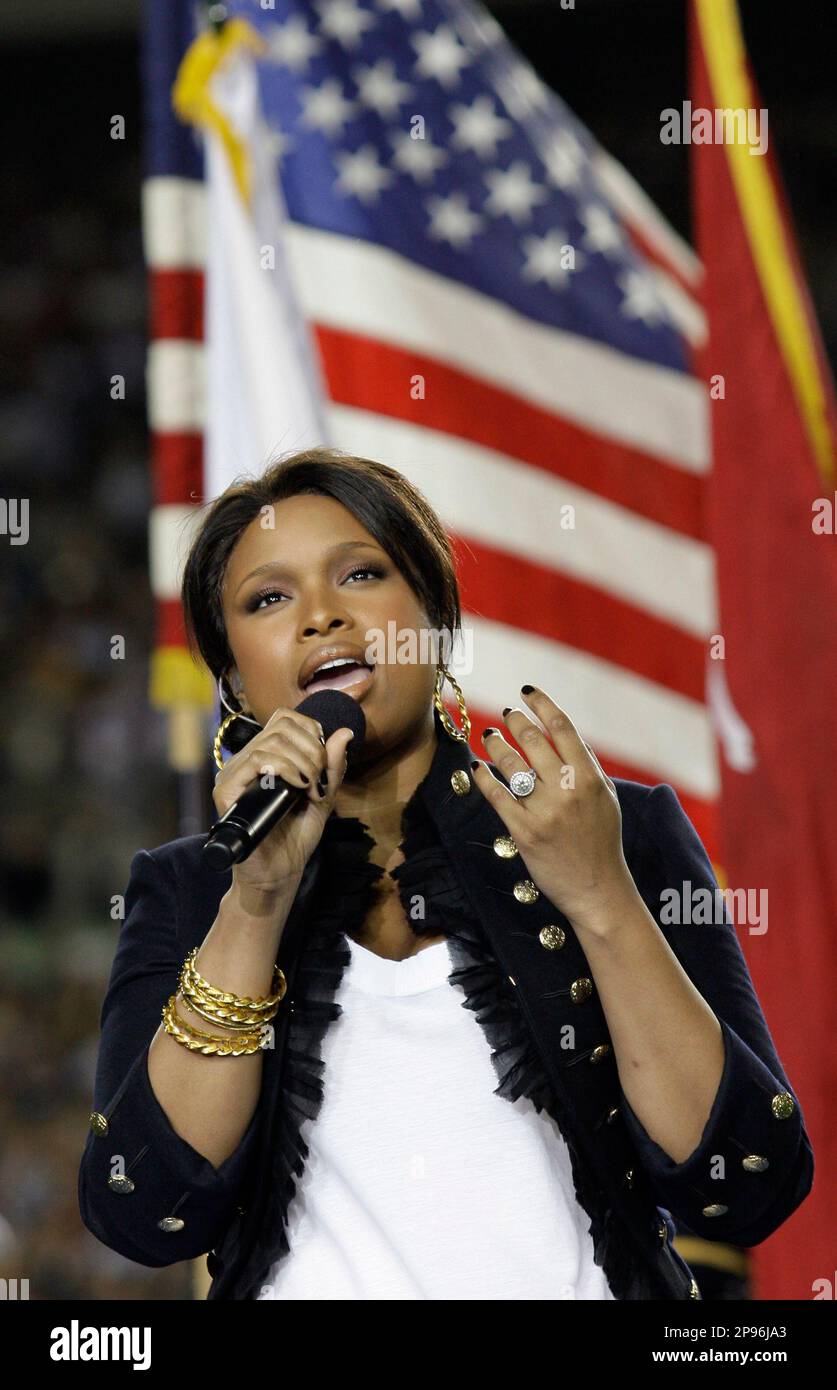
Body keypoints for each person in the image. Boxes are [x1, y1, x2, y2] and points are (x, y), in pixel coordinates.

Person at [78, 446, 813, 1300]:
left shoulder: (613, 831)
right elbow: (142, 1211)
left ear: (432, 616)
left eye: (360, 574)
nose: (319, 616)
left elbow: (741, 1182)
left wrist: (599, 895)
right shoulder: (191, 886)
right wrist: (255, 904)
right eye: (269, 598)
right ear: (234, 678)